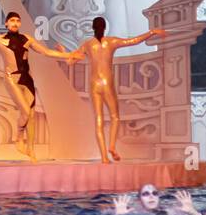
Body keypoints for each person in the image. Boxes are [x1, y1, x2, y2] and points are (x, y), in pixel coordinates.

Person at [0, 11, 77, 161]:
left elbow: (46, 52)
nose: (15, 23)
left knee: (31, 116)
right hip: (12, 79)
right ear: (6, 23)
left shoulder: (27, 39)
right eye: (12, 20)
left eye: (17, 21)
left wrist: (67, 55)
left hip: (27, 80)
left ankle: (31, 150)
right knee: (25, 111)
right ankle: (19, 136)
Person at [71, 17, 165, 163]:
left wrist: (63, 51)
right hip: (107, 83)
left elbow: (70, 61)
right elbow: (133, 41)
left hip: (94, 84)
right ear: (105, 27)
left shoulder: (88, 45)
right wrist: (152, 32)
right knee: (115, 116)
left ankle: (104, 157)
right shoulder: (111, 42)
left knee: (98, 120)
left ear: (92, 27)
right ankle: (112, 146)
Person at [111, 185, 197, 215]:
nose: (151, 196)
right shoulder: (133, 213)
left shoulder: (170, 211)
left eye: (154, 193)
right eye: (146, 194)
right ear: (139, 200)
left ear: (158, 198)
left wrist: (192, 211)